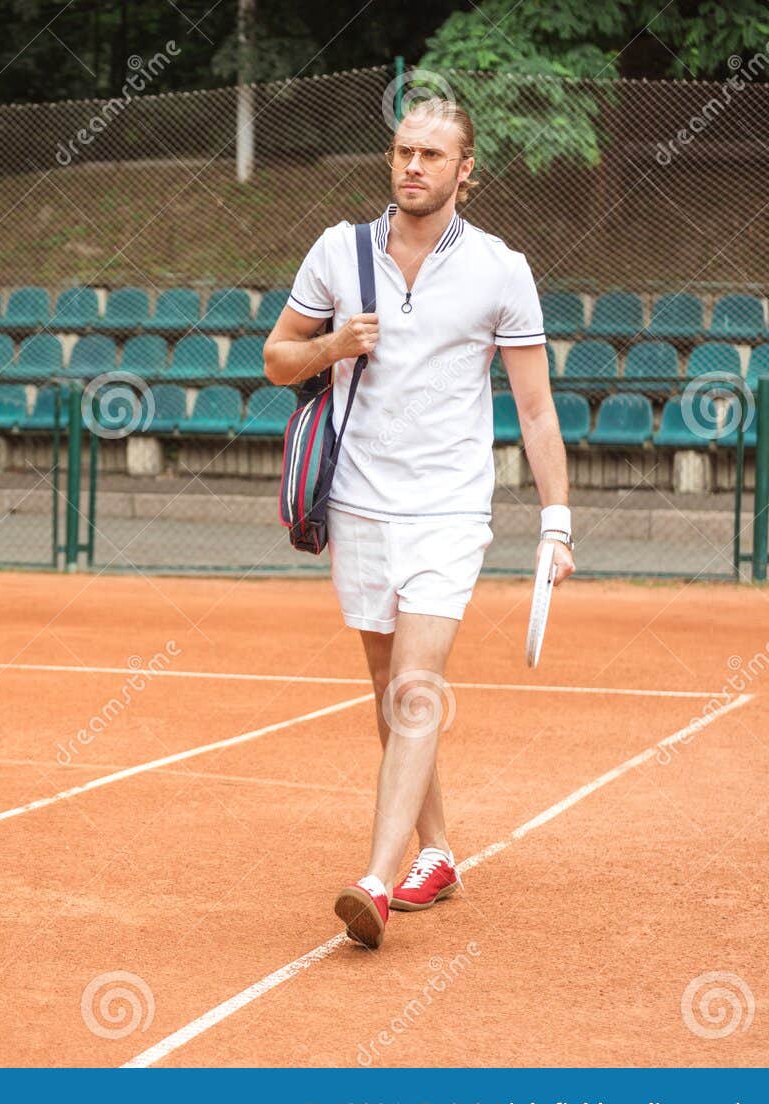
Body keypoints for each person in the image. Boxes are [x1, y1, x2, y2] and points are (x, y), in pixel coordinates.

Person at [261, 99, 576, 949]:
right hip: (358, 504)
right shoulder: (338, 251)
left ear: (466, 169)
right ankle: (436, 851)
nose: (414, 166)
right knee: (388, 687)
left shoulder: (502, 270)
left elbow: (537, 411)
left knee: (415, 686)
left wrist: (557, 520)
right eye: (404, 150)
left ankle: (375, 877)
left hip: (449, 509)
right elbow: (276, 357)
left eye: (433, 155)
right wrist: (333, 348)